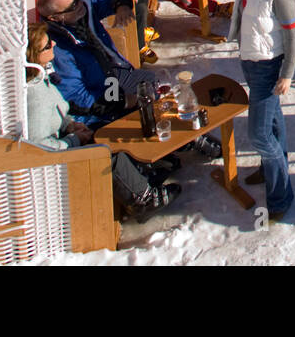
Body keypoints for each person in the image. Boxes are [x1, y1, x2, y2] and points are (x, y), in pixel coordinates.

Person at [24, 22, 179, 217]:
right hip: (61, 153)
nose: (54, 44)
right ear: (33, 56)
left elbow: (59, 108)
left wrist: (70, 124)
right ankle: (142, 198)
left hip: (102, 92)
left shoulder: (43, 76)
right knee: (108, 143)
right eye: (47, 46)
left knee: (113, 124)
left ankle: (143, 174)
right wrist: (74, 139)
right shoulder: (36, 97)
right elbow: (38, 148)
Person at [213, 0, 295, 220]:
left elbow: (294, 37)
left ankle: (281, 197)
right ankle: (269, 168)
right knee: (273, 121)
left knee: (260, 134)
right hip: (251, 62)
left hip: (268, 67)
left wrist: (287, 74)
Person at [36, 0, 142, 128]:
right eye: (72, 6)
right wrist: (122, 103)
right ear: (55, 18)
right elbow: (76, 98)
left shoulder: (83, 8)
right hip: (96, 116)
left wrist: (122, 6)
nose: (79, 4)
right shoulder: (57, 49)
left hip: (113, 78)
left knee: (155, 90)